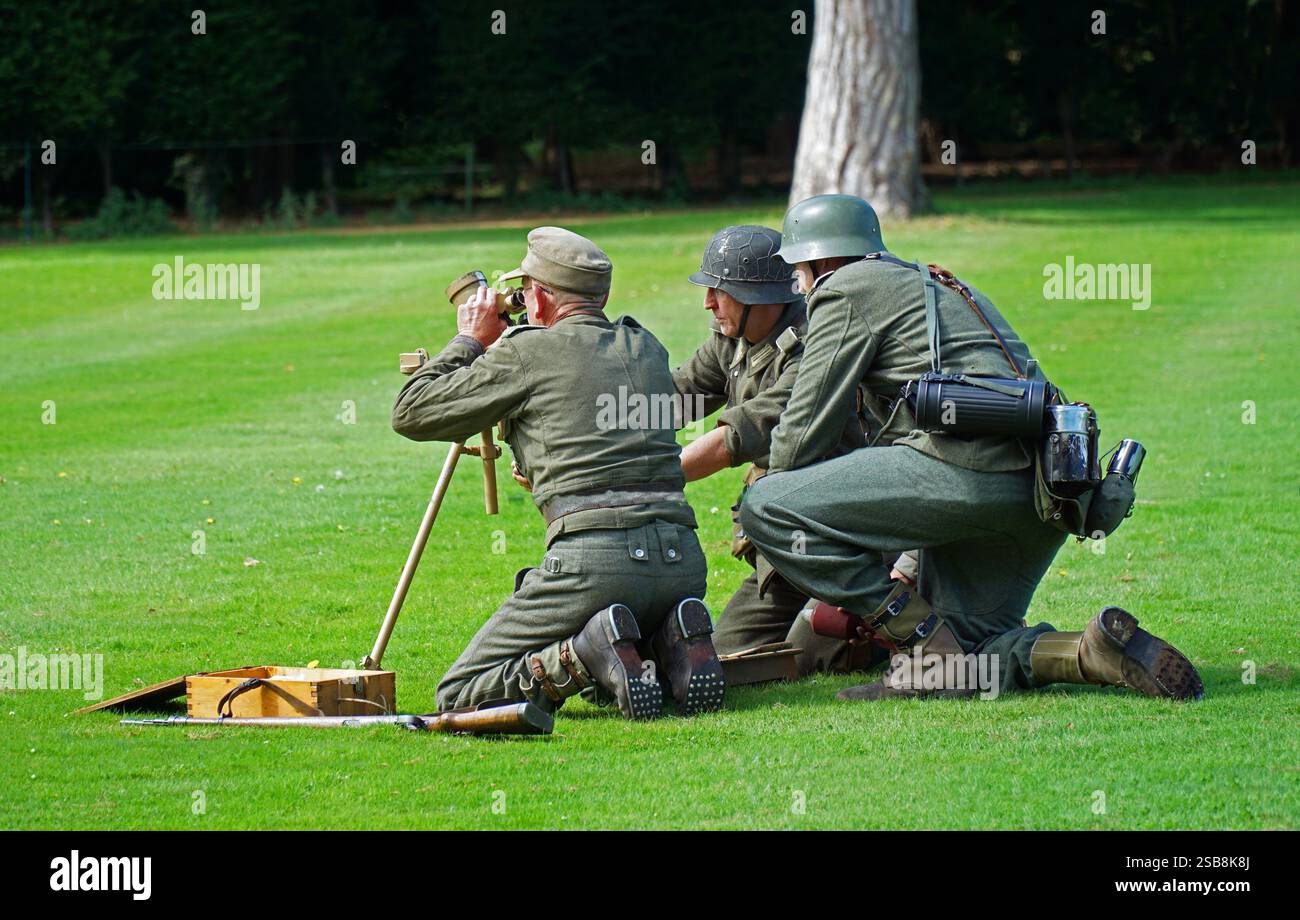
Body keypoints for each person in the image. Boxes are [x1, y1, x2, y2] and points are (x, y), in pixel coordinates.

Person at [739, 195, 1202, 701]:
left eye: (798, 270)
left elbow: (801, 439)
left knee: (768, 504)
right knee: (966, 657)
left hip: (966, 477)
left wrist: (768, 504)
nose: (798, 284)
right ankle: (1089, 653)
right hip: (1047, 494)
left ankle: (919, 641)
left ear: (820, 261)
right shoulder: (934, 285)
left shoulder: (846, 288)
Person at [391, 226, 723, 719]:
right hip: (683, 560)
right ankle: (669, 638)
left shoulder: (526, 351)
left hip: (597, 563)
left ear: (540, 300)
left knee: (458, 692)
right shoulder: (644, 346)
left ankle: (579, 655)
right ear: (602, 295)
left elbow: (411, 410)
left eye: (526, 292)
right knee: (616, 640)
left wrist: (469, 340)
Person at [672, 224, 889, 675]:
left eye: (720, 291)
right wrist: (591, 441)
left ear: (762, 297)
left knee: (811, 653)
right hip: (786, 546)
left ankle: (890, 624)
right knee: (723, 657)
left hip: (842, 540)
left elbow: (738, 437)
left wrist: (644, 476)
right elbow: (672, 398)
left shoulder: (816, 345)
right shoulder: (732, 339)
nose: (708, 303)